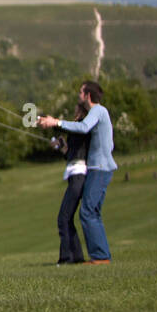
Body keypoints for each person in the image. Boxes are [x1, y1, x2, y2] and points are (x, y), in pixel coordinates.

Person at [38, 81, 117, 264]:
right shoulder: (100, 113)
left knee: (88, 212)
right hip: (98, 168)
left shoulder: (98, 110)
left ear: (88, 96)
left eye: (81, 92)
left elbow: (83, 127)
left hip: (99, 169)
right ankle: (102, 256)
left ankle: (100, 257)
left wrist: (56, 122)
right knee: (92, 212)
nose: (78, 95)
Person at [49, 101, 92, 265]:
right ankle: (76, 257)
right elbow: (71, 156)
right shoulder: (77, 130)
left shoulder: (82, 127)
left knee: (64, 218)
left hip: (79, 175)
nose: (74, 113)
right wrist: (61, 147)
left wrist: (53, 123)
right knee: (66, 218)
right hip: (75, 175)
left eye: (76, 109)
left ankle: (67, 258)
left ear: (81, 111)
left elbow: (79, 155)